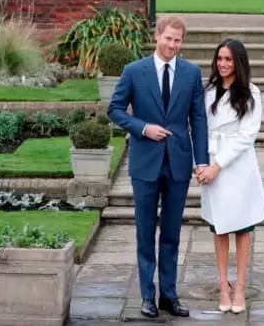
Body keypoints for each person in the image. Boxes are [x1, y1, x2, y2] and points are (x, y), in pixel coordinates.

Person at [107, 16, 209, 319]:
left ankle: (169, 295)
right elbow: (114, 109)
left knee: (172, 233)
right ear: (157, 36)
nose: (172, 45)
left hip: (178, 163)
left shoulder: (191, 73)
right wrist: (142, 128)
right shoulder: (134, 71)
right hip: (145, 162)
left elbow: (198, 119)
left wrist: (200, 160)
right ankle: (147, 296)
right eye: (168, 39)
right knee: (144, 231)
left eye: (178, 40)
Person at [196, 38, 264, 315]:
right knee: (219, 228)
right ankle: (223, 285)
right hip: (211, 162)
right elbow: (198, 127)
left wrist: (218, 166)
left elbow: (246, 136)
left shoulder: (251, 92)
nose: (223, 64)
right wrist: (201, 165)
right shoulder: (207, 91)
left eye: (228, 59)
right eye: (219, 59)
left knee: (242, 228)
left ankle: (239, 286)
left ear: (238, 62)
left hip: (238, 166)